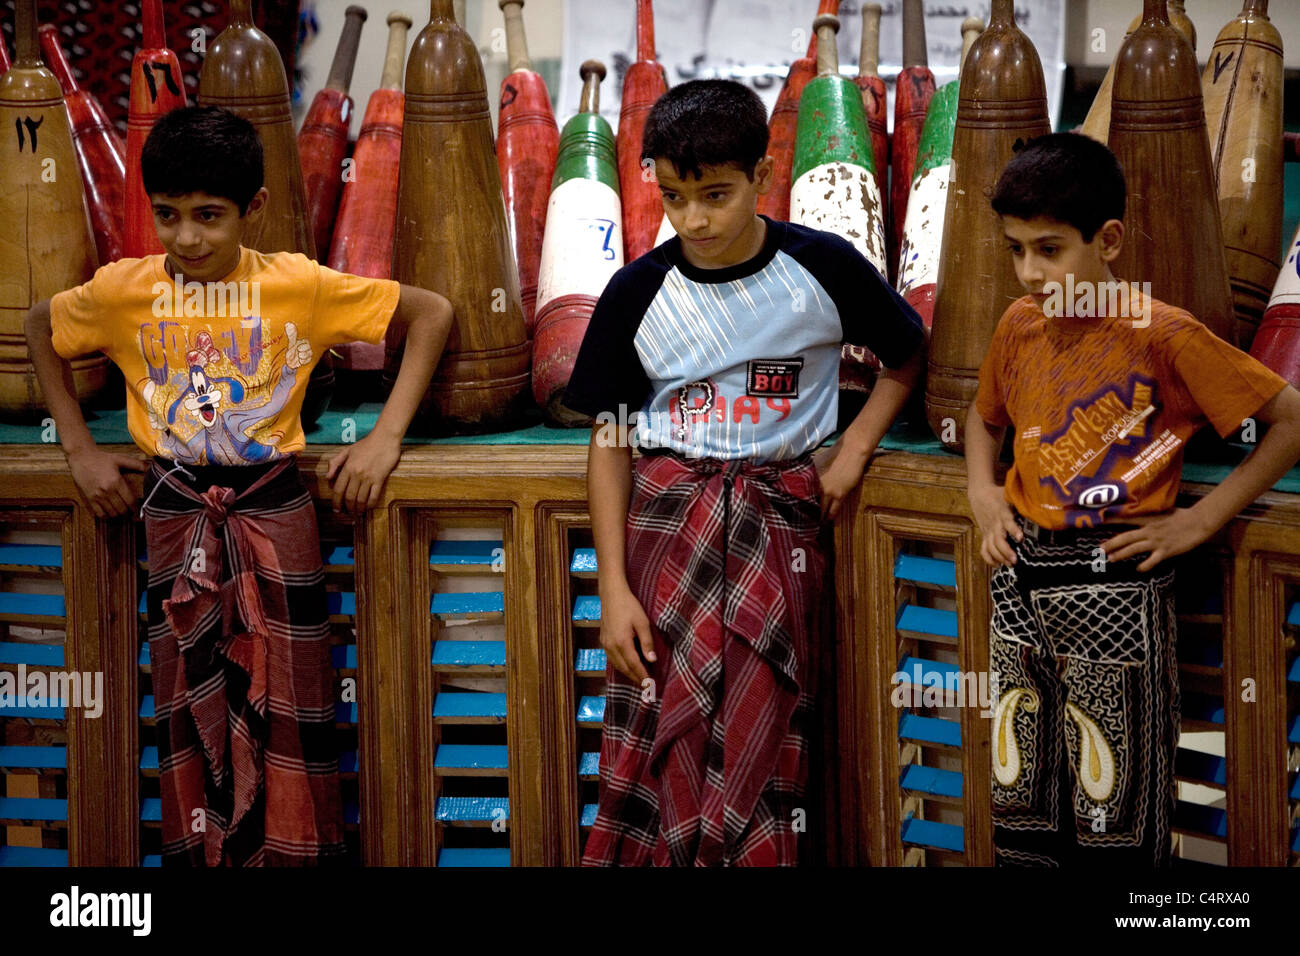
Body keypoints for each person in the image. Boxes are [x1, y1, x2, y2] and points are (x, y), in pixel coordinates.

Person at [24, 105, 453, 866]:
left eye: (210, 216)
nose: (188, 238)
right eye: (169, 216)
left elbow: (430, 313)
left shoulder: (300, 286)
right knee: (187, 706)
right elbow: (38, 325)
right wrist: (80, 453)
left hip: (275, 511)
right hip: (173, 512)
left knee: (291, 704)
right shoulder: (124, 291)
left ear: (253, 208)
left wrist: (386, 438)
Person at [563, 79, 925, 866]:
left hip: (778, 527)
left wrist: (855, 448)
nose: (694, 219)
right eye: (674, 197)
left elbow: (906, 353)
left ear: (764, 177)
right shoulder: (636, 292)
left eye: (717, 195)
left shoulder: (822, 266)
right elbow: (609, 437)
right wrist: (615, 588)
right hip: (665, 531)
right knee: (654, 734)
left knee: (768, 733)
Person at [965, 132, 1300, 866]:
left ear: (1108, 239)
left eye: (1048, 250)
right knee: (1017, 792)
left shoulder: (1164, 334)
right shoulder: (1018, 325)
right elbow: (981, 418)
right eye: (1016, 249)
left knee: (1114, 805)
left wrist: (1204, 518)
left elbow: (1289, 420)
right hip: (1018, 582)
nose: (1028, 272)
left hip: (1115, 586)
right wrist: (983, 494)